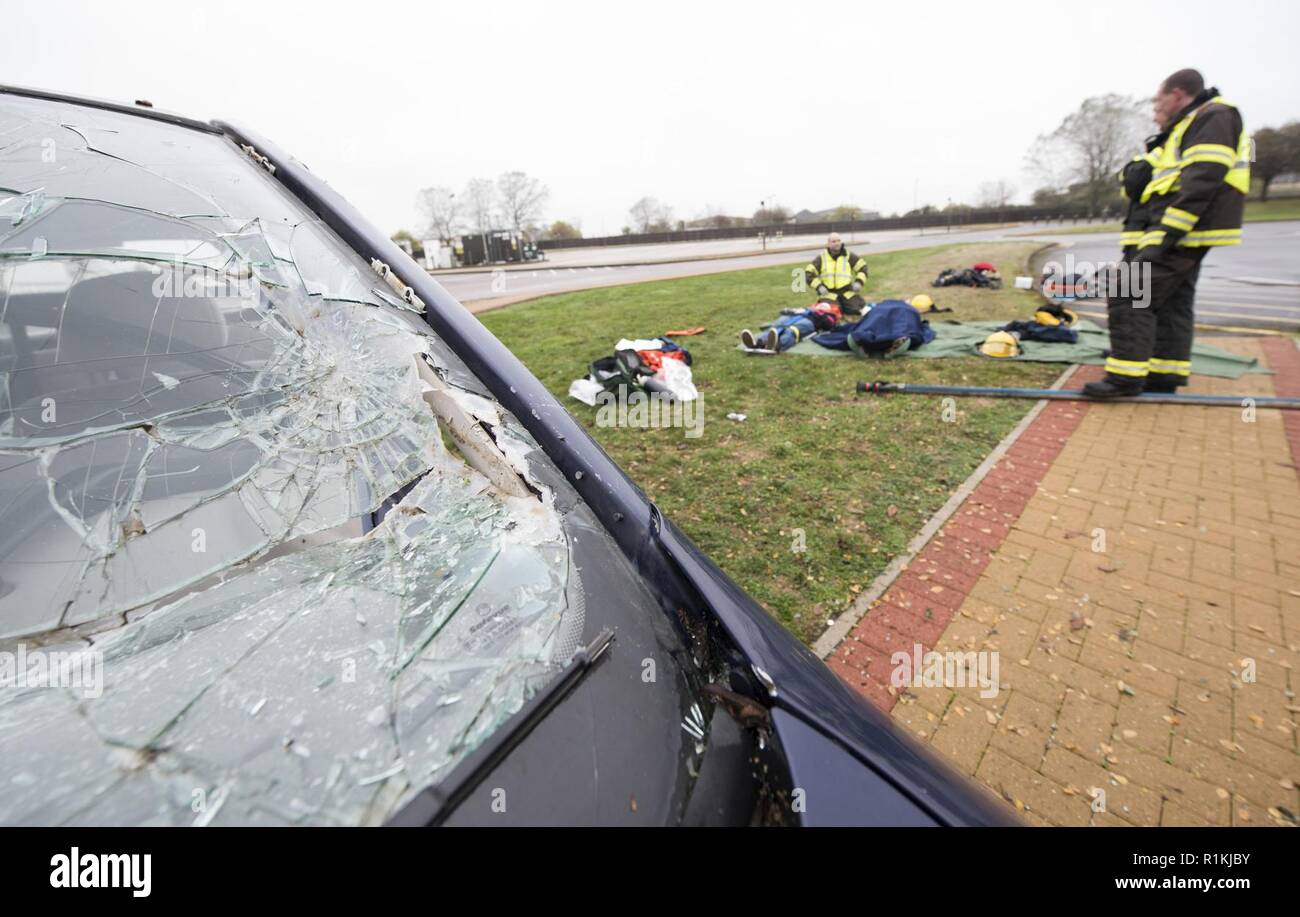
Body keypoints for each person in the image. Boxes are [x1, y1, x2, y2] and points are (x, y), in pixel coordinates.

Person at [1084, 69, 1249, 397]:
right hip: (1182, 230)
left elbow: (1203, 179)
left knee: (1130, 292)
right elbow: (1151, 182)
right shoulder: (1184, 127)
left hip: (1179, 229)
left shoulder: (1213, 117)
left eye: (1158, 100)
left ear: (1177, 93)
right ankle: (1163, 373)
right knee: (1172, 302)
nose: (1155, 108)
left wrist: (1167, 233)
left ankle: (1124, 378)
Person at [740, 299, 844, 352]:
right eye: (821, 305)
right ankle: (759, 342)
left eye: (825, 306)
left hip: (809, 322)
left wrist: (822, 316)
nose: (822, 306)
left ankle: (777, 345)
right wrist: (788, 310)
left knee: (792, 331)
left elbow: (829, 324)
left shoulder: (829, 315)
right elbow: (788, 311)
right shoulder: (807, 308)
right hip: (794, 316)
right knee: (777, 326)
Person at [802, 233, 868, 315]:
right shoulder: (822, 258)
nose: (837, 243)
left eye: (838, 241)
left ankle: (846, 307)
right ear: (828, 244)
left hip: (846, 292)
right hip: (828, 293)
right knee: (832, 312)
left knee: (859, 308)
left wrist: (859, 282)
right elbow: (809, 273)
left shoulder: (848, 256)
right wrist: (819, 287)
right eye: (834, 241)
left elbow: (863, 267)